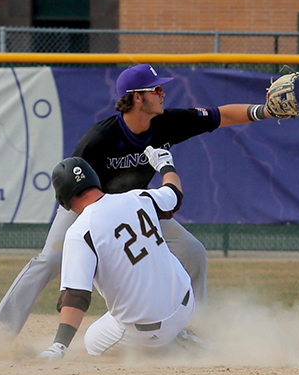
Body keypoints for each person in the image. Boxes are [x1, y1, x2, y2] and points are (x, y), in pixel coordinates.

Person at [0, 64, 291, 335]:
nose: (163, 93)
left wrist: (265, 110)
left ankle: (195, 329)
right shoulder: (100, 138)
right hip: (87, 207)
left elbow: (221, 115)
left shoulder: (167, 123)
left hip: (135, 209)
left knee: (193, 253)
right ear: (137, 97)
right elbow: (71, 180)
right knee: (50, 260)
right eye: (157, 89)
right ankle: (0, 331)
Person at [37, 148, 199, 359]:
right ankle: (181, 334)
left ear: (63, 200)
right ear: (95, 181)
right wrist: (165, 165)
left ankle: (165, 345)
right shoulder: (139, 197)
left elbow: (76, 296)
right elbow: (174, 194)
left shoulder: (80, 231)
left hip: (146, 331)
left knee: (92, 342)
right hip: (185, 306)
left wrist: (59, 346)